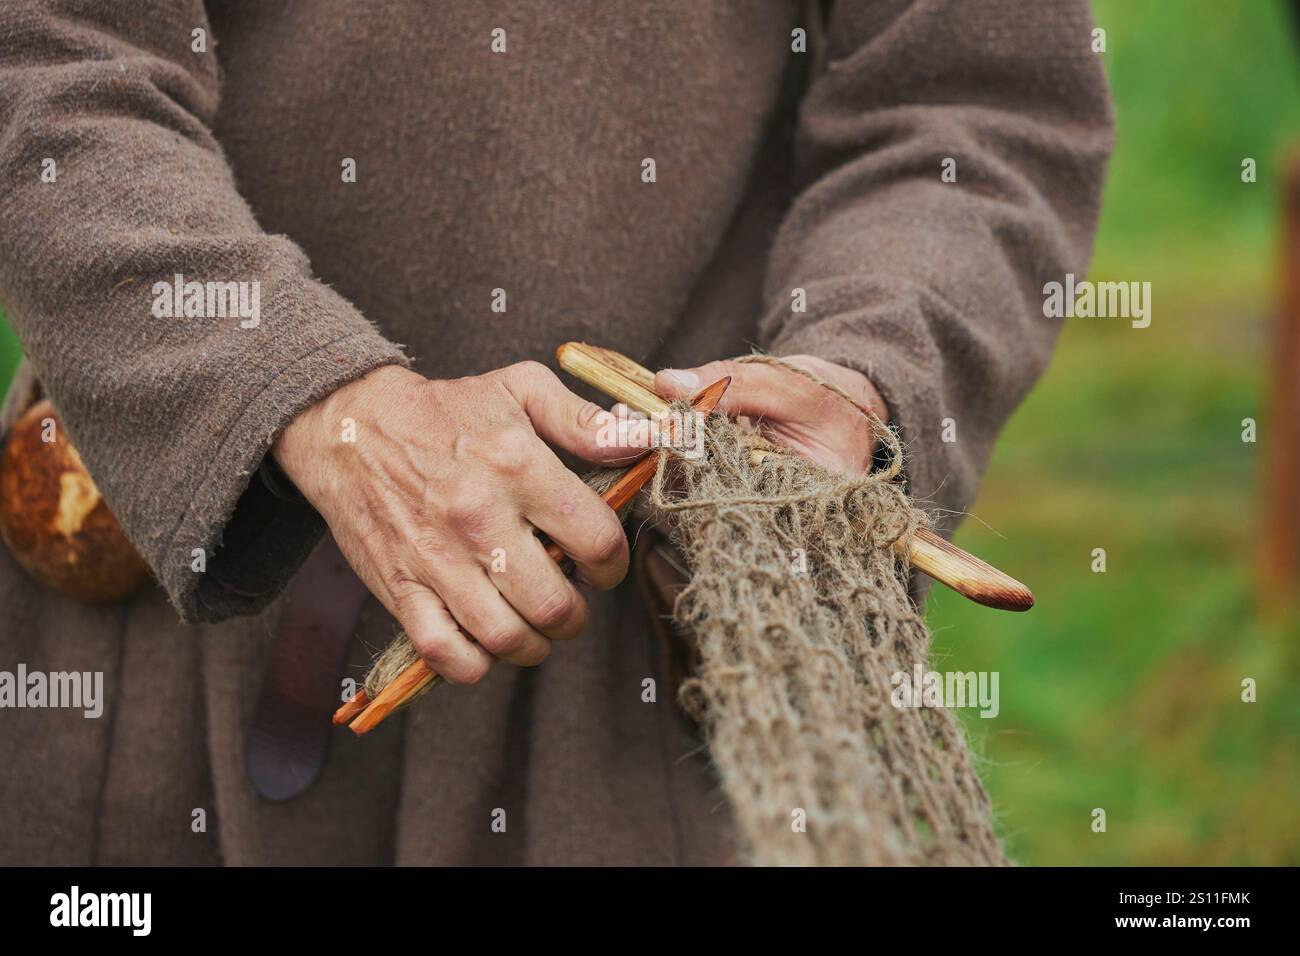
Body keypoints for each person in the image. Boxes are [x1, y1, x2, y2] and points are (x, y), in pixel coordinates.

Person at [0, 0, 1112, 865]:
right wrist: (299, 391)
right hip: (158, 632)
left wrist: (866, 361)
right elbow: (47, 57)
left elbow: (973, 101)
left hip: (641, 667)